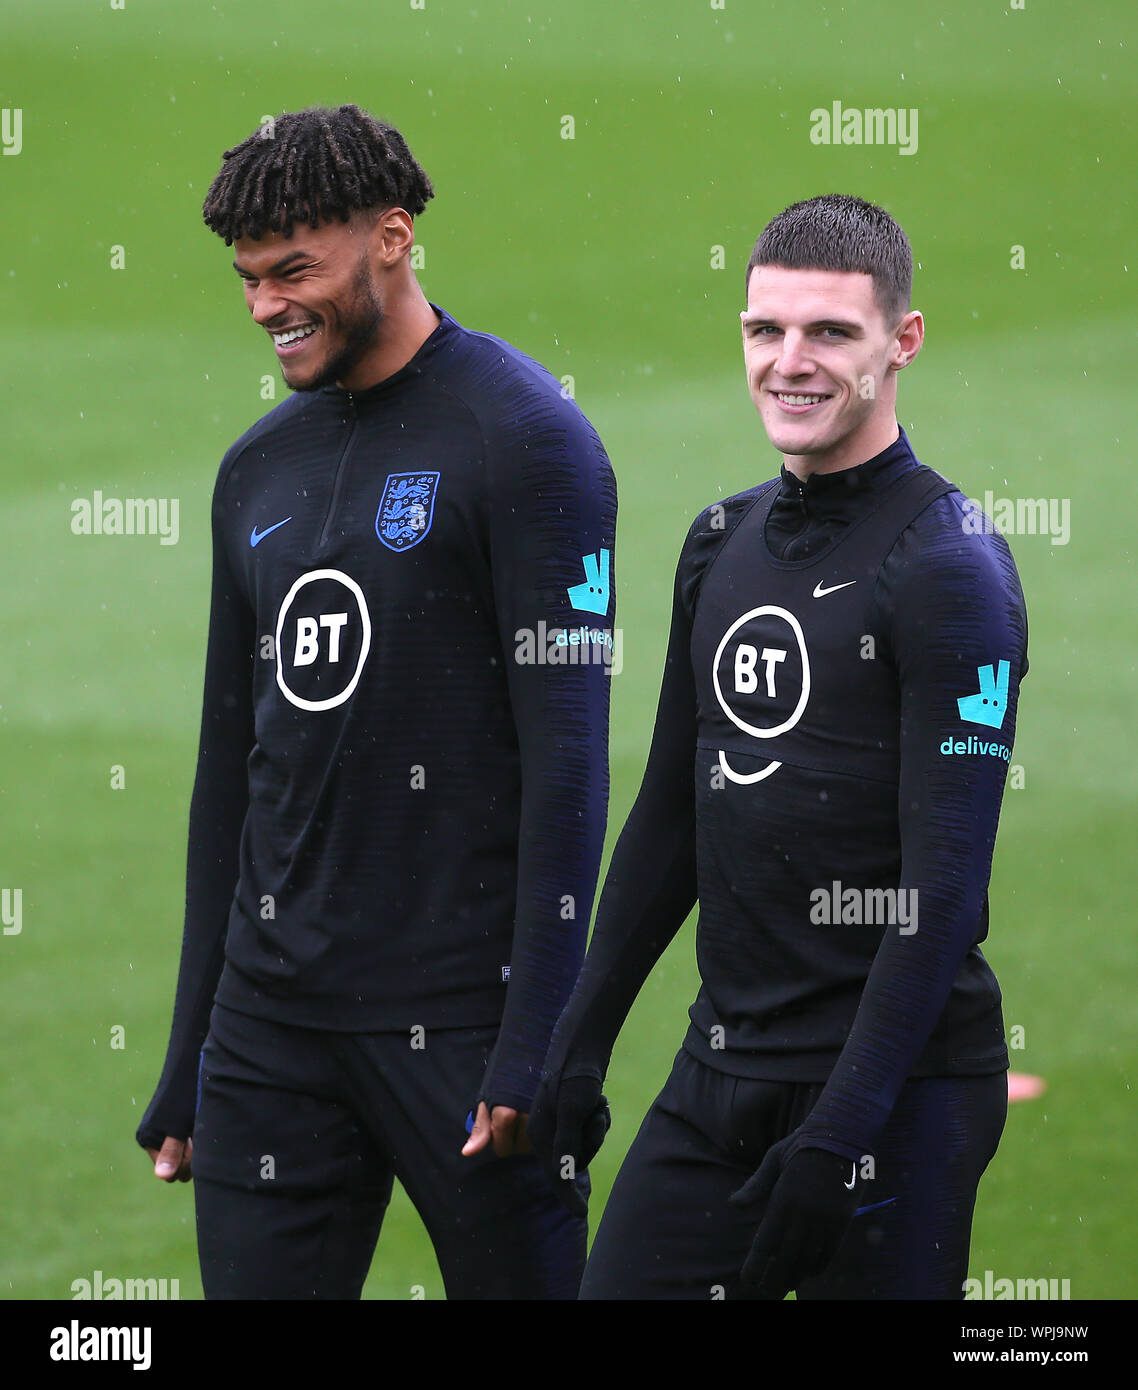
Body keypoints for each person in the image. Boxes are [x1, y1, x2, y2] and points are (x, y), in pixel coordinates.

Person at [135, 104, 617, 1300]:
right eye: (248, 279)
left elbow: (571, 764)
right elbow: (228, 766)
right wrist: (194, 1044)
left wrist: (537, 1043)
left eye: (294, 270)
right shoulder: (257, 465)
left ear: (392, 236)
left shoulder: (527, 440)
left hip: (461, 1019)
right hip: (270, 1025)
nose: (266, 307)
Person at [529, 193, 1028, 1300]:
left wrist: (845, 1128)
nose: (787, 363)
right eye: (764, 330)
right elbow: (671, 813)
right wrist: (579, 1039)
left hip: (898, 1094)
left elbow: (940, 894)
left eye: (829, 333)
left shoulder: (950, 570)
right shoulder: (719, 539)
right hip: (722, 1073)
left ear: (902, 342)